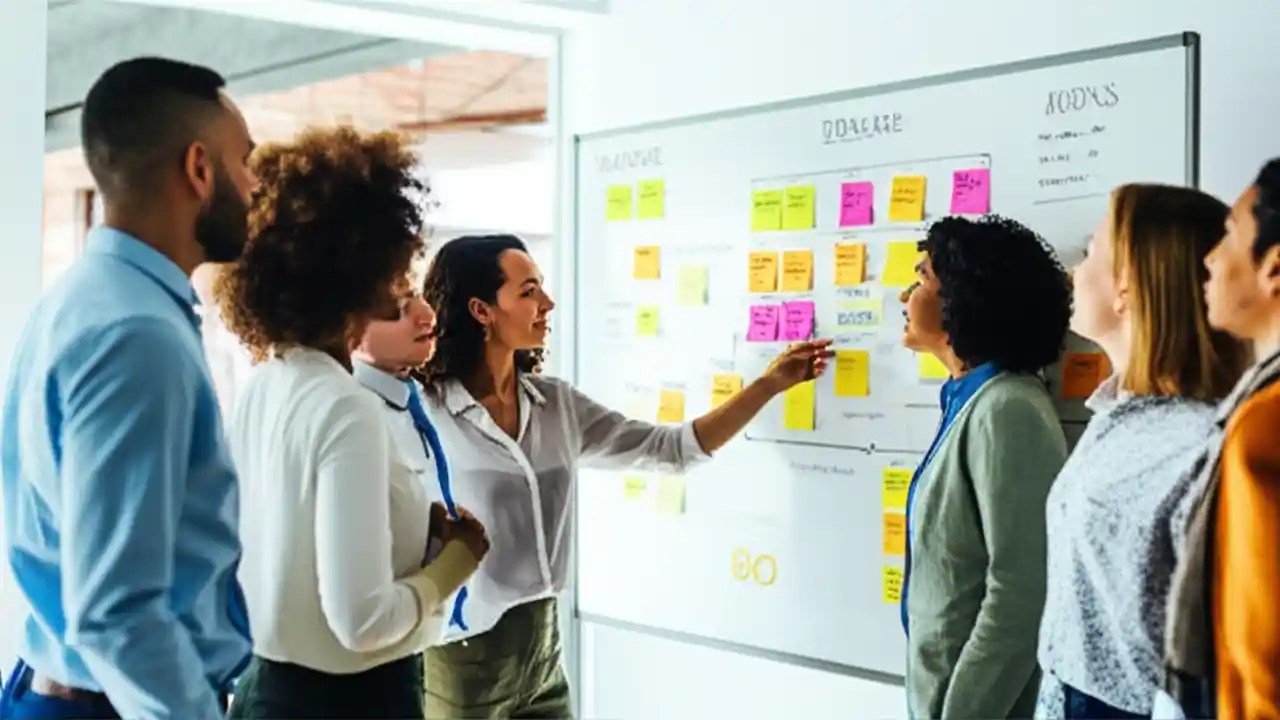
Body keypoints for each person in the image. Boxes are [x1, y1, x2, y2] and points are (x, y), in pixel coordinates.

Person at [413, 234, 832, 718]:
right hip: (464, 655)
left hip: (545, 651)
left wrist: (769, 384)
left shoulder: (557, 405)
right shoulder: (425, 412)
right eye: (528, 292)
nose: (547, 303)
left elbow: (671, 449)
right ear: (481, 310)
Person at [0, 57, 256, 720]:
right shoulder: (136, 333)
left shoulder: (85, 300)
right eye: (245, 162)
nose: (255, 187)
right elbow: (117, 611)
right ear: (200, 169)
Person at [217, 127, 488, 719]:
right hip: (351, 703)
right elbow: (363, 622)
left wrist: (421, 538)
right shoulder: (347, 408)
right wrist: (457, 559)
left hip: (264, 691)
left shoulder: (265, 386)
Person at [1035, 185, 1250, 720]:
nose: (1075, 273)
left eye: (1090, 252)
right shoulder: (1115, 416)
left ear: (1127, 287)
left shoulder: (1202, 444)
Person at [898, 215, 1071, 720]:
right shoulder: (971, 401)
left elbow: (1021, 593)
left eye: (923, 277)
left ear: (964, 298)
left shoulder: (1007, 408)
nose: (906, 294)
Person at [1163, 158, 1280, 720]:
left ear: (1274, 268)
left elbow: (1259, 657)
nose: (1210, 257)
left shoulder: (1265, 426)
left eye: (1231, 235)